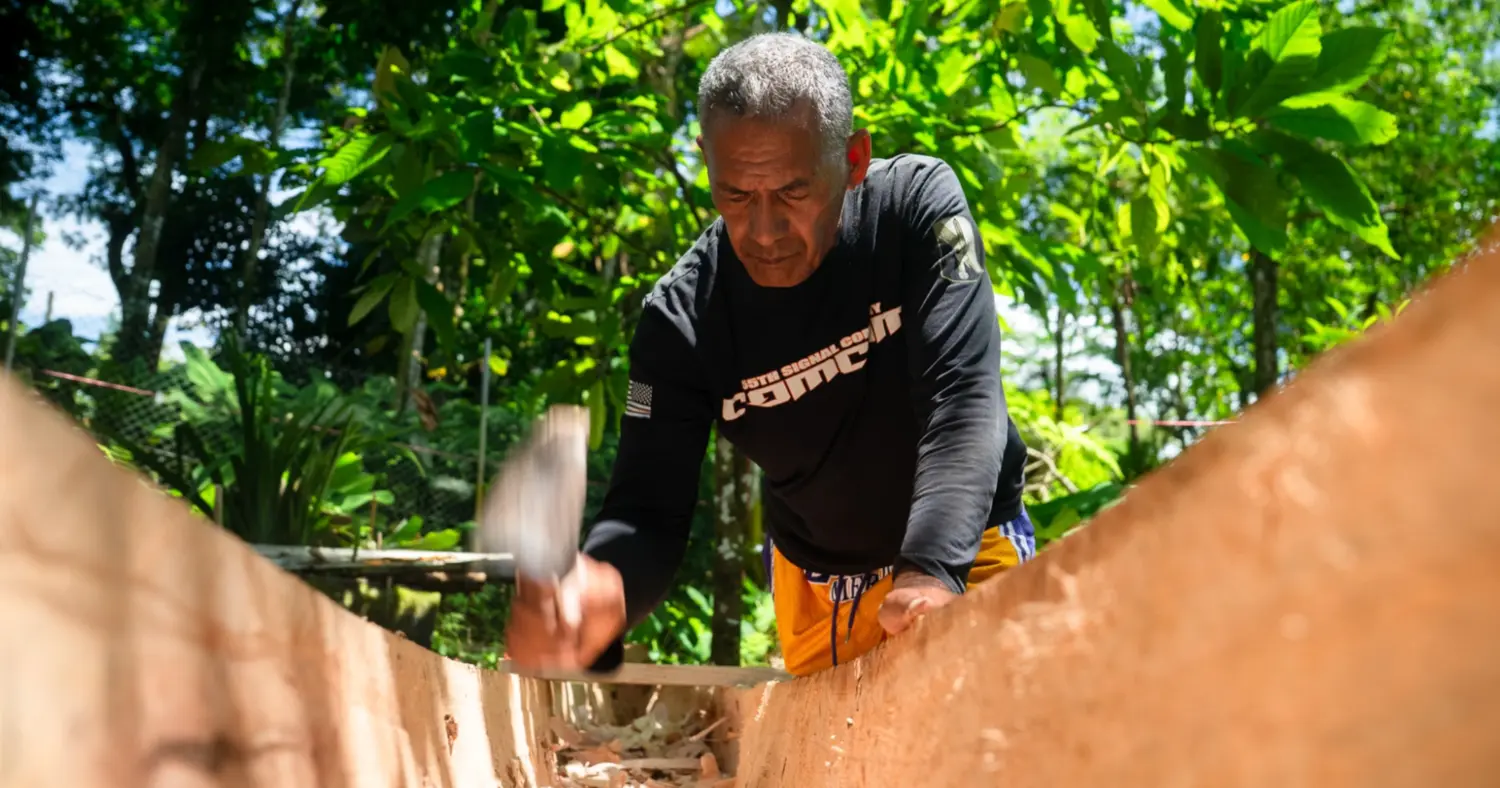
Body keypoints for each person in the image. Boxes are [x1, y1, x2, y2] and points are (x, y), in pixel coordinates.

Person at [504, 32, 1033, 678]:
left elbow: (963, 399)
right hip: (815, 584)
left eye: (792, 193)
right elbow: (648, 510)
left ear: (855, 159)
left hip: (962, 550)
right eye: (736, 195)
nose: (764, 232)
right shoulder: (679, 321)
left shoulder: (916, 213)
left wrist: (930, 572)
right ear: (706, 163)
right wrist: (600, 594)